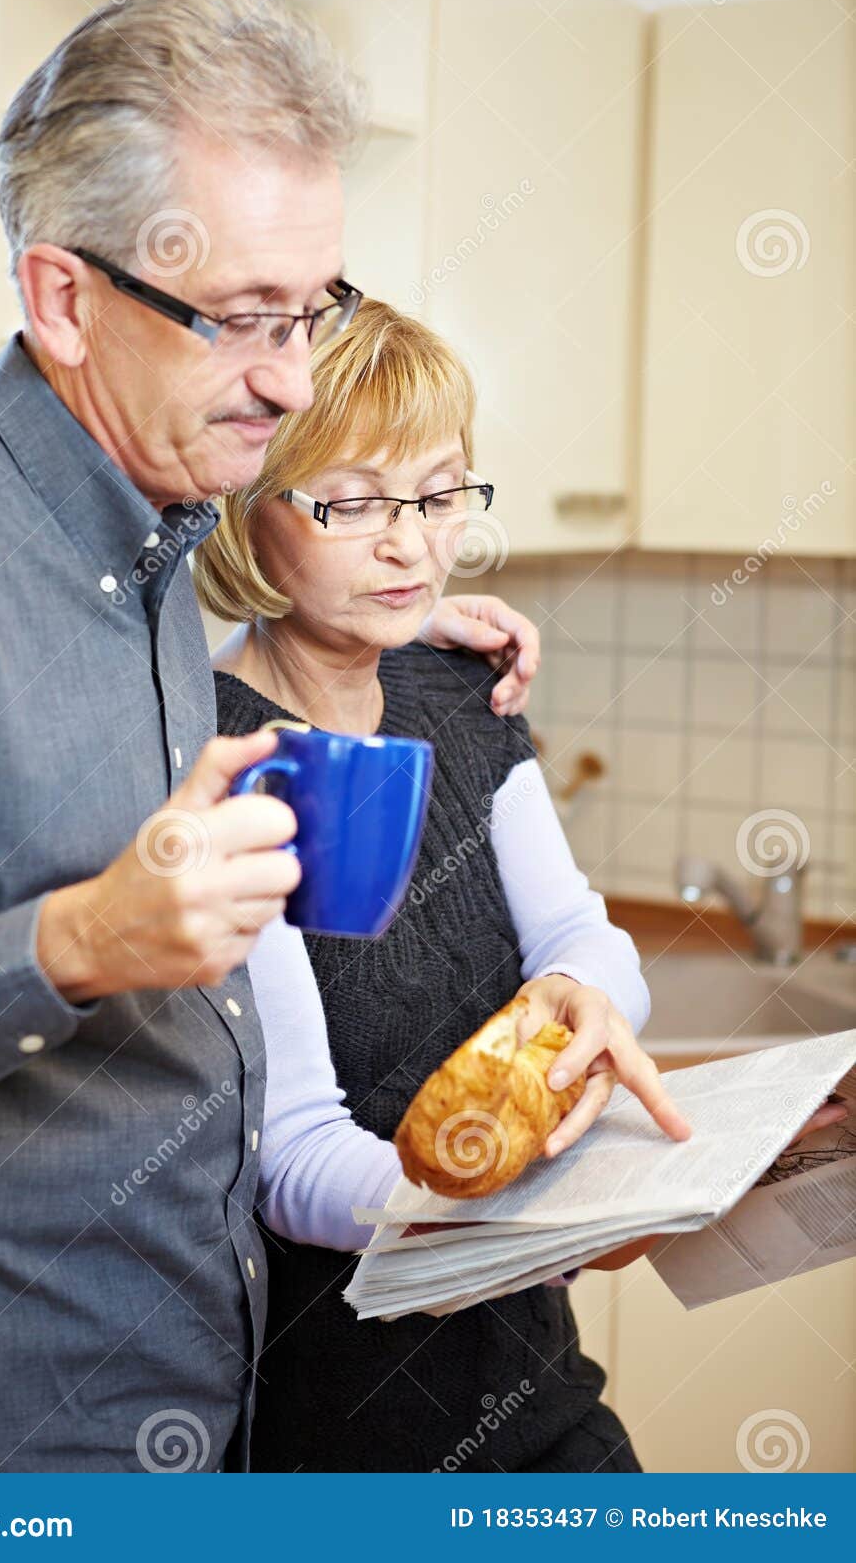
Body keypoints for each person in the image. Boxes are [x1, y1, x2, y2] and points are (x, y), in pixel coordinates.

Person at [0, 0, 541, 1473]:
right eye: (242, 319)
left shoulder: (153, 539)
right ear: (65, 299)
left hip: (186, 1413)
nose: (289, 377)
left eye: (311, 309)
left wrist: (390, 619)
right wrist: (76, 942)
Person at [196, 299, 693, 1471]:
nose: (411, 547)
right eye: (354, 502)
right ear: (246, 505)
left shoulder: (460, 693)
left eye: (437, 494)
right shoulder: (219, 757)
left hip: (536, 1384)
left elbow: (580, 934)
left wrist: (581, 996)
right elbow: (292, 1155)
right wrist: (530, 1223)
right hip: (347, 1421)